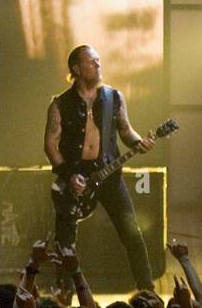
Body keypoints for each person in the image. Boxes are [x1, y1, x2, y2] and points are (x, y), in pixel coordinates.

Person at [44, 45, 156, 290]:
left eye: (98, 61)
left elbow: (126, 130)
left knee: (132, 233)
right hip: (74, 177)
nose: (97, 65)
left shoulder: (113, 97)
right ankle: (64, 291)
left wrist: (140, 142)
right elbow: (51, 145)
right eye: (91, 61)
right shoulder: (60, 104)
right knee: (65, 241)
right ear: (76, 68)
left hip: (109, 175)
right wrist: (69, 175)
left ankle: (147, 290)